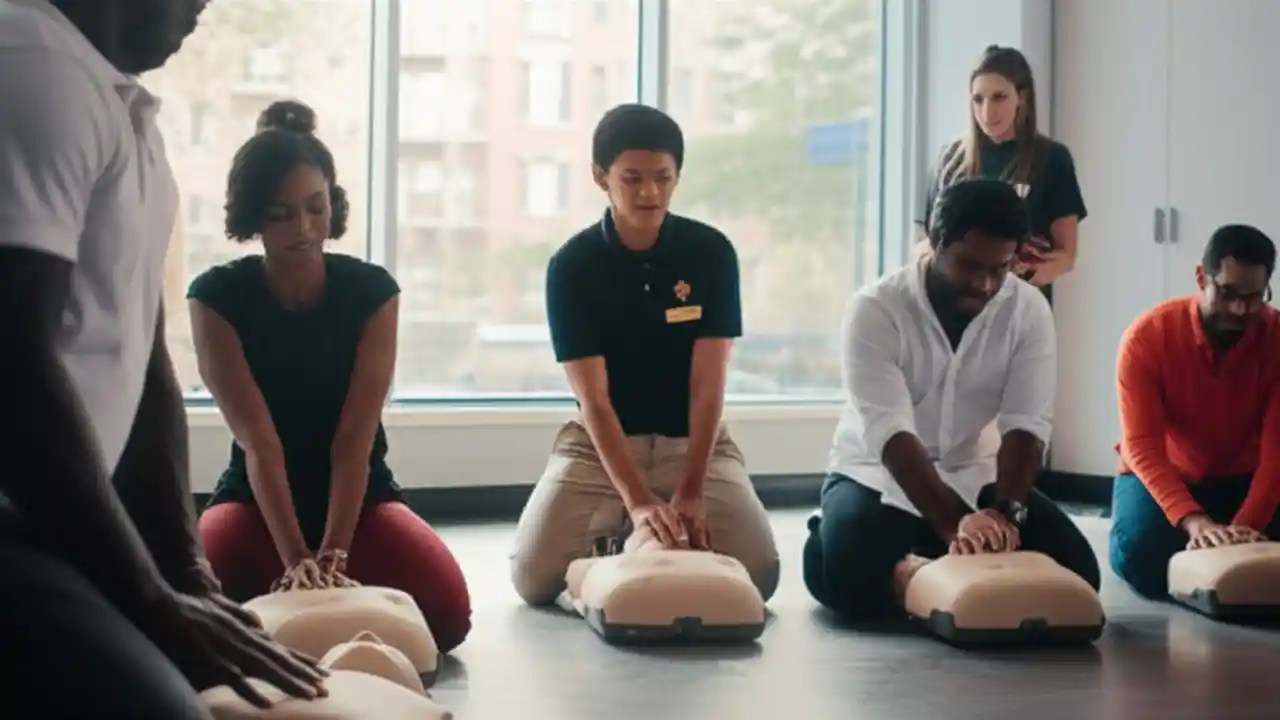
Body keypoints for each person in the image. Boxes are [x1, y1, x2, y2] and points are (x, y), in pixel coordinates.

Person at [0, 1, 327, 717]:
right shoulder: (36, 65)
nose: (206, 7)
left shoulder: (118, 107)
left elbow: (145, 363)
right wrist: (146, 598)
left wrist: (186, 574)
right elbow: (11, 364)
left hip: (52, 515)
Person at [188, 101, 472, 653]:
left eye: (316, 207)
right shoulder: (215, 297)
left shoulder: (371, 292)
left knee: (447, 617)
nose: (304, 227)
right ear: (252, 216)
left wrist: (334, 558)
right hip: (255, 498)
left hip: (360, 499)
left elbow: (354, 442)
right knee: (194, 610)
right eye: (281, 212)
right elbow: (259, 444)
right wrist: (296, 559)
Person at [510, 104, 780, 605]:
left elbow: (708, 384)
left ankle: (640, 543)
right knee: (533, 577)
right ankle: (631, 541)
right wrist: (637, 502)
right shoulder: (572, 266)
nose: (649, 193)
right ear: (600, 177)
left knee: (759, 574)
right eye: (632, 179)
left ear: (678, 177)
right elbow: (594, 401)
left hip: (694, 443)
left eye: (663, 178)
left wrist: (693, 490)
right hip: (599, 445)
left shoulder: (711, 253)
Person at [803, 178, 1100, 619]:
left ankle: (922, 567)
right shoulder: (875, 310)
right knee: (844, 561)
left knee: (1078, 576)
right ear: (935, 242)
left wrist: (1006, 516)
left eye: (1000, 269)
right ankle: (900, 558)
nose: (984, 283)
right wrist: (957, 523)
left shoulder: (1028, 310)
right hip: (878, 475)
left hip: (976, 473)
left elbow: (1026, 424)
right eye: (969, 266)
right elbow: (892, 435)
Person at [1110, 225, 1280, 599]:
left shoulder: (1276, 338)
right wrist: (1194, 521)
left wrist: (1246, 529)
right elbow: (1141, 446)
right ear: (1202, 277)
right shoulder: (1148, 337)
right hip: (1169, 476)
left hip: (1246, 478)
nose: (1239, 310)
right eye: (1227, 293)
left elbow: (1276, 453)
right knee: (1142, 558)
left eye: (1253, 298)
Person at [922, 45, 1087, 293]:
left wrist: (1019, 277)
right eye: (978, 100)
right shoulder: (950, 161)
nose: (988, 112)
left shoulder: (1052, 159)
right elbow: (923, 244)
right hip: (955, 301)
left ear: (1022, 97)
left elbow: (1066, 255)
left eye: (999, 97)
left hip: (1018, 301)